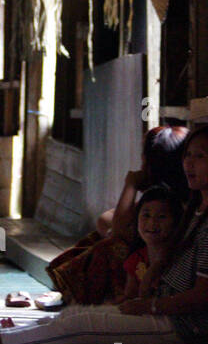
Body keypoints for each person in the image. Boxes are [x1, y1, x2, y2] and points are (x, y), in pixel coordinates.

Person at [0, 125, 208, 344]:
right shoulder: (197, 211)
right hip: (166, 313)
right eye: (188, 155)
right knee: (76, 315)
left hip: (186, 330)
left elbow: (205, 295)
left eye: (200, 156)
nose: (189, 163)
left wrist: (151, 306)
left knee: (78, 327)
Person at [41, 124, 189, 305]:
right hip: (144, 257)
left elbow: (118, 230)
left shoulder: (173, 200)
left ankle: (96, 300)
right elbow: (106, 220)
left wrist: (131, 184)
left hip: (160, 267)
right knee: (100, 237)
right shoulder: (158, 193)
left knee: (111, 246)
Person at [117, 185, 182, 305]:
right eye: (146, 215)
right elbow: (130, 295)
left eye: (162, 217)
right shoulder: (136, 259)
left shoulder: (180, 259)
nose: (152, 223)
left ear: (176, 221)